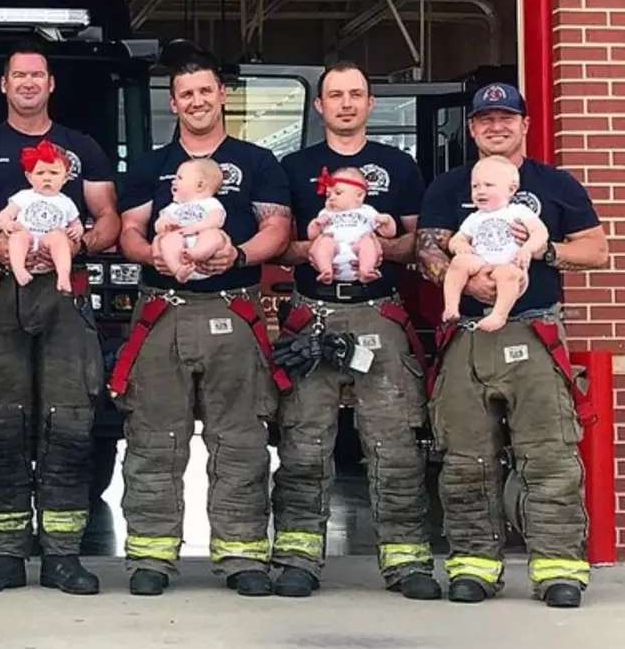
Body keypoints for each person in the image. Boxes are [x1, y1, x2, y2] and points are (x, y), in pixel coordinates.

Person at [415, 83, 608, 608]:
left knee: (548, 455)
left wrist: (536, 257)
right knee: (463, 458)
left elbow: (597, 251)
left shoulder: (556, 184)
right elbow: (428, 249)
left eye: (506, 118)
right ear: (472, 129)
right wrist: (466, 280)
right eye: (484, 120)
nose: (495, 127)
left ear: (525, 124)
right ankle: (473, 566)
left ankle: (559, 569)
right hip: (468, 337)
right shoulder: (450, 186)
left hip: (535, 329)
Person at [113, 48, 291, 597]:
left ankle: (240, 554)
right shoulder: (148, 165)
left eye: (206, 91)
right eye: (186, 93)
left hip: (233, 307)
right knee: (153, 436)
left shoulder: (258, 161)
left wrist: (236, 254)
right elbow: (128, 231)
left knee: (239, 436)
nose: (197, 101)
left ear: (222, 96)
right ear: (173, 103)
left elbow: (278, 229)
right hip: (163, 309)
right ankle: (150, 555)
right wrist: (155, 256)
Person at [0, 43, 120, 595]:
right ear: (4, 85)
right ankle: (1, 555)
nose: (27, 82)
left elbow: (109, 218)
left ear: (51, 84)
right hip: (2, 291)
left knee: (68, 420)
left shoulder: (82, 148)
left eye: (37, 75)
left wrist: (82, 240)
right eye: (18, 74)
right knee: (1, 421)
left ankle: (64, 557)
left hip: (67, 296)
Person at [273, 63, 436, 599]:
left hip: (378, 313)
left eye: (356, 94)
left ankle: (407, 558)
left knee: (395, 442)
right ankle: (297, 557)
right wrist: (320, 248)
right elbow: (278, 242)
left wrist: (371, 245)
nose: (346, 103)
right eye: (335, 95)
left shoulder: (400, 165)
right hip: (311, 312)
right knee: (303, 440)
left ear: (370, 103)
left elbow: (419, 243)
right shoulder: (294, 168)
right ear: (318, 106)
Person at [442, 155, 548, 332]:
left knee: (508, 273)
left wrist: (527, 249)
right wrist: (460, 246)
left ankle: (499, 315)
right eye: (475, 186)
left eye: (489, 185)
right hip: (481, 264)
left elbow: (540, 232)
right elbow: (457, 238)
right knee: (458, 263)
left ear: (511, 189)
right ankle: (452, 306)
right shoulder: (474, 217)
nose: (480, 191)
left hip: (510, 265)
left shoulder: (518, 211)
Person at [0, 139, 81, 293]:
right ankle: (19, 270)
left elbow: (76, 223)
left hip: (48, 247)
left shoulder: (66, 202)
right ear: (29, 177)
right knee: (17, 236)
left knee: (59, 238)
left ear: (65, 177)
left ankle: (63, 274)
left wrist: (75, 232)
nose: (47, 178)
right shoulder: (23, 196)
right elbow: (5, 214)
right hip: (27, 241)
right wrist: (6, 223)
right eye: (40, 173)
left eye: (54, 173)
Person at [306, 165, 396, 284]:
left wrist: (387, 221)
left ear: (359, 196)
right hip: (334, 252)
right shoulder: (325, 213)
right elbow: (312, 236)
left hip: (357, 249)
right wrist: (315, 224)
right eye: (328, 195)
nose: (331, 198)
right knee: (324, 242)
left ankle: (366, 271)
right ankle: (326, 271)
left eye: (338, 193)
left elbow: (389, 233)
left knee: (368, 241)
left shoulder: (367, 211)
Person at [153, 157, 229, 284]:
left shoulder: (211, 203)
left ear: (200, 185)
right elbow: (159, 223)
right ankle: (178, 270)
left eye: (180, 178)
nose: (173, 181)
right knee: (168, 239)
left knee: (213, 235)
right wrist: (165, 226)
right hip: (179, 249)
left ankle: (196, 254)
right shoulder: (173, 207)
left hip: (205, 253)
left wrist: (196, 228)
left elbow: (217, 220)